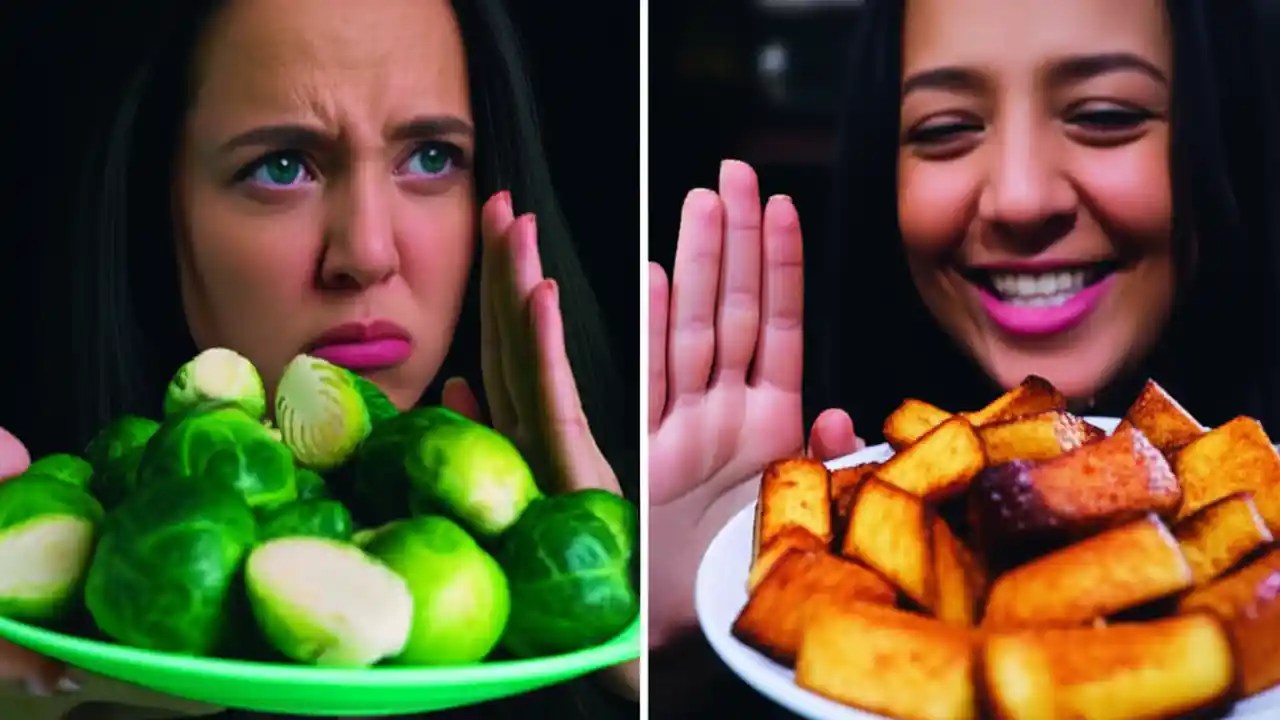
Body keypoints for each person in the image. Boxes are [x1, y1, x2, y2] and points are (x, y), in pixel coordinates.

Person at [0, 0, 639, 718]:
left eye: (431, 158)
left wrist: (642, 666)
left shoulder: (630, 571)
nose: (367, 253)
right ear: (161, 202)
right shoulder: (48, 541)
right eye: (281, 167)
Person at [648, 0, 1280, 714]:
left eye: (1106, 115)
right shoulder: (815, 510)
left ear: (1227, 124)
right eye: (945, 128)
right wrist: (667, 666)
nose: (1017, 197)